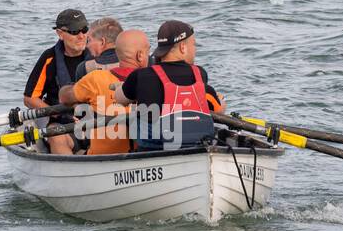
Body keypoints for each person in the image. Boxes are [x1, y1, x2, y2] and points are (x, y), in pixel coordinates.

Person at [115, 20, 223, 151]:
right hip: (195, 142)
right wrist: (221, 103)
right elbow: (218, 111)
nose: (195, 50)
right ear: (183, 47)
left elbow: (120, 100)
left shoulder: (141, 75)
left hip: (153, 146)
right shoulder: (200, 74)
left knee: (138, 114)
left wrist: (122, 87)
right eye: (193, 45)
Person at [66, 29, 150, 155]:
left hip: (101, 157)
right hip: (145, 154)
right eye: (148, 51)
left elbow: (64, 98)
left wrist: (70, 95)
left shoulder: (95, 78)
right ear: (140, 55)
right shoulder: (155, 79)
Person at [24, 9, 90, 155]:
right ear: (60, 34)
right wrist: (59, 115)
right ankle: (70, 173)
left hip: (97, 122)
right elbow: (30, 98)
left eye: (84, 30)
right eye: (74, 32)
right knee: (55, 135)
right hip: (63, 124)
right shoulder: (49, 59)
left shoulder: (98, 52)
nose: (81, 36)